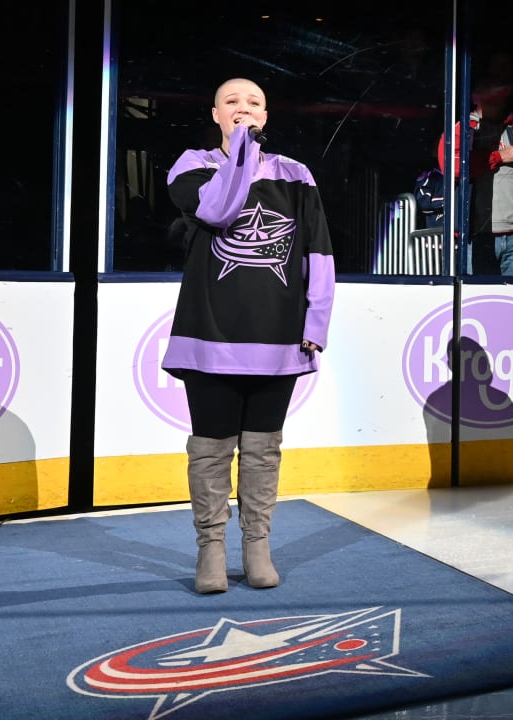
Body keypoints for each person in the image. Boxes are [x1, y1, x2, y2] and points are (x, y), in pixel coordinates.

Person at [162, 78, 336, 594]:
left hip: (278, 337)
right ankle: (210, 550)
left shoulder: (296, 174)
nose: (244, 108)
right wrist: (241, 149)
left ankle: (257, 546)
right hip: (209, 336)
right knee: (211, 448)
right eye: (232, 102)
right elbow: (218, 209)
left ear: (268, 114)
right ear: (214, 112)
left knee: (263, 450)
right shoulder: (192, 166)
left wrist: (316, 321)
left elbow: (319, 252)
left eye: (254, 103)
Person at [436, 80, 513, 275]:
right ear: (476, 97)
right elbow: (454, 167)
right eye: (489, 93)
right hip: (477, 238)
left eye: (500, 93)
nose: (495, 98)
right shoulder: (462, 129)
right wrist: (498, 156)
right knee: (480, 302)